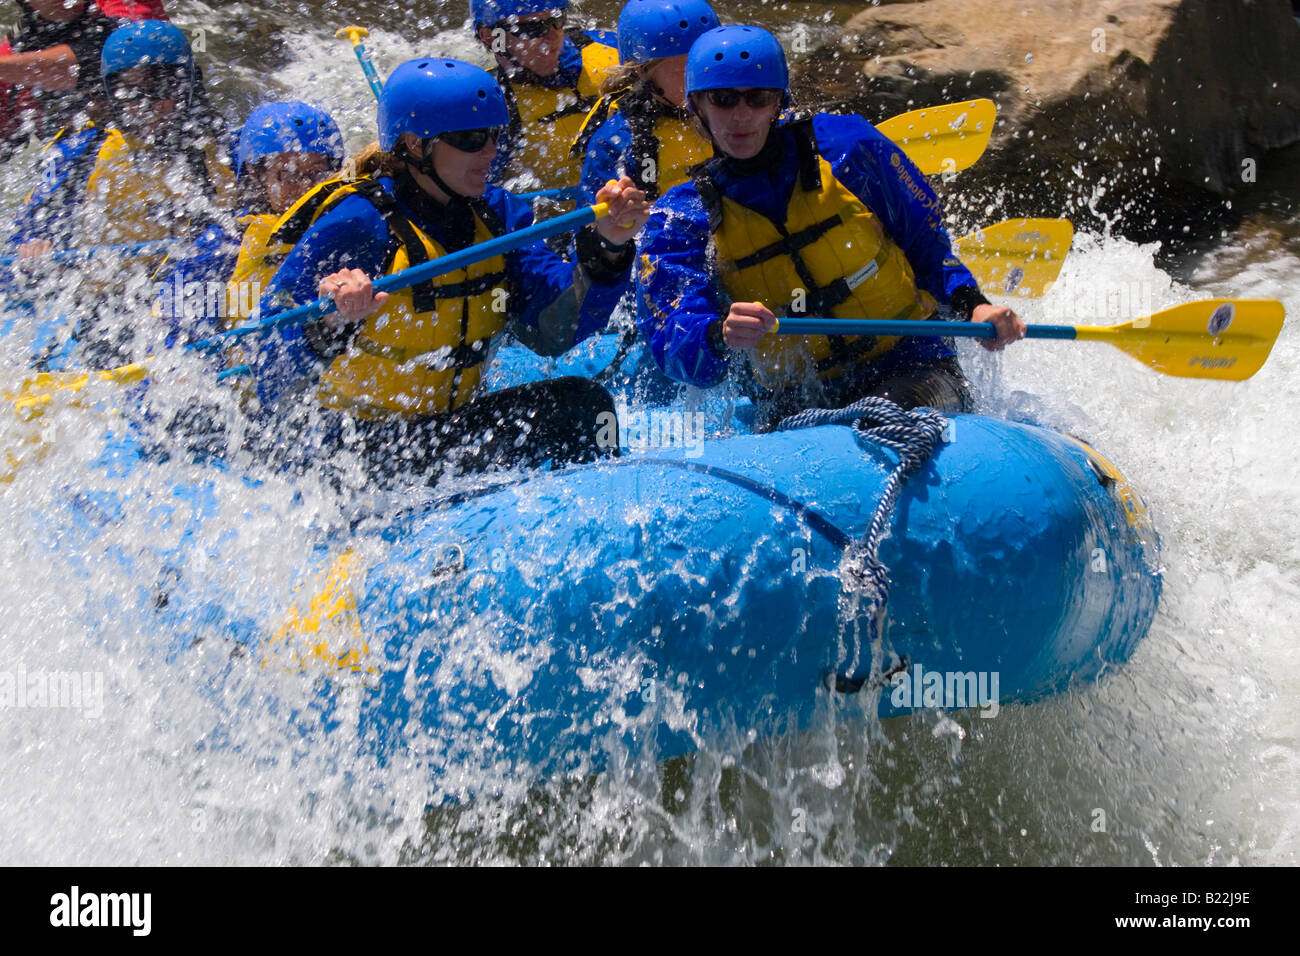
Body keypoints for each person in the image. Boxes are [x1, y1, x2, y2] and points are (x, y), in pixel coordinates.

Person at [246, 57, 649, 487]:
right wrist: (327, 321)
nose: (492, 153)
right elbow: (267, 368)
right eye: (472, 139)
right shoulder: (358, 223)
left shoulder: (499, 214)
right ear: (416, 146)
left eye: (495, 136)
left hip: (440, 433)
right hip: (351, 451)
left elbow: (556, 330)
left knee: (584, 405)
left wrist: (606, 244)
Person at [636, 26, 1026, 430]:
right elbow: (671, 341)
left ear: (777, 104)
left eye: (757, 98)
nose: (741, 115)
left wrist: (973, 304)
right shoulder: (681, 216)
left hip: (911, 364)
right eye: (723, 99)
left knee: (881, 421)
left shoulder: (848, 149)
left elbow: (926, 245)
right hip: (793, 397)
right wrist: (717, 332)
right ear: (697, 106)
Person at [6, 19, 235, 367]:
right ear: (110, 96)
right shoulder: (80, 154)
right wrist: (34, 248)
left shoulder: (226, 153)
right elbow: (20, 240)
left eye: (162, 88)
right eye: (130, 93)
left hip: (198, 297)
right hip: (110, 304)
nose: (148, 105)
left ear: (189, 86)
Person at [572, 0, 718, 203]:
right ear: (641, 71)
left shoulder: (738, 108)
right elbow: (590, 231)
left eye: (707, 66)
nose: (700, 80)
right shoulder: (619, 141)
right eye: (684, 71)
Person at [470, 0, 619, 193]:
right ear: (490, 37)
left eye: (557, 20)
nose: (552, 36)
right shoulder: (490, 106)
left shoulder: (612, 50)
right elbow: (481, 196)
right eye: (533, 28)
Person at [0, 1, 171, 155]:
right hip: (85, 169)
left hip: (167, 147)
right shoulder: (13, 61)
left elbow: (123, 50)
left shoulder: (123, 5)